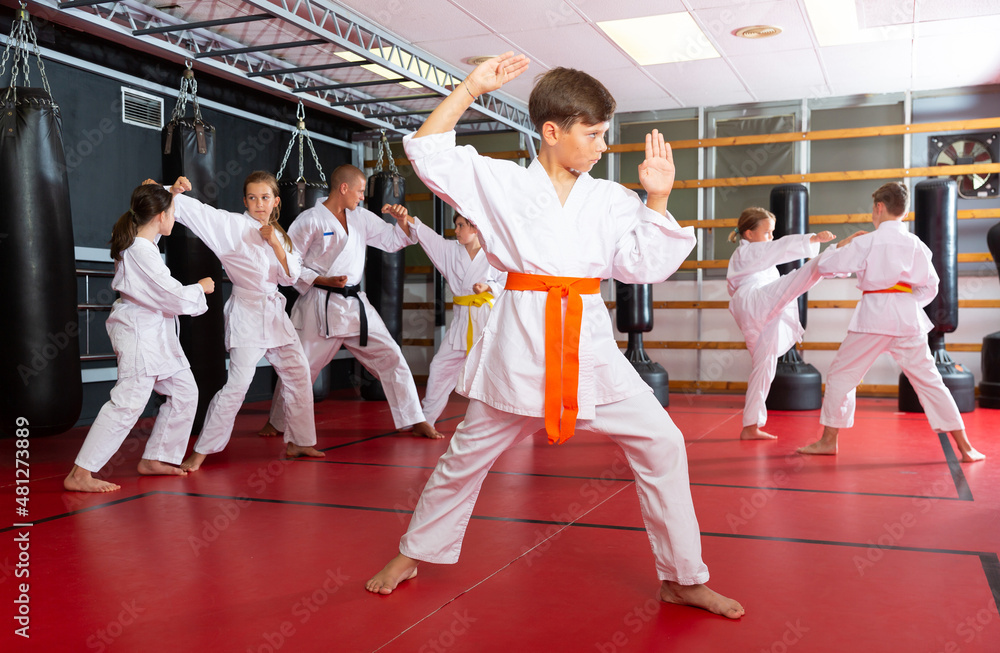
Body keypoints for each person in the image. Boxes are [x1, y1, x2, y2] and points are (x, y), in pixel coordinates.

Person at [365, 55, 745, 619]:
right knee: (465, 456)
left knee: (664, 442)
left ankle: (682, 577)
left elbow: (644, 264)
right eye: (591, 134)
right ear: (551, 131)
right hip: (521, 343)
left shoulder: (611, 198)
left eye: (603, 135)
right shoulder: (500, 182)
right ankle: (413, 552)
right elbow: (428, 150)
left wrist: (658, 200)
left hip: (589, 346)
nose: (601, 146)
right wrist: (471, 86)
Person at [797, 182, 984, 462]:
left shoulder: (866, 241)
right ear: (904, 212)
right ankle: (966, 447)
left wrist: (843, 245)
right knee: (931, 382)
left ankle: (828, 441)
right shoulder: (915, 244)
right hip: (908, 319)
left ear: (879, 207)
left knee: (842, 375)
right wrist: (906, 303)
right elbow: (931, 287)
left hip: (871, 319)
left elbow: (826, 267)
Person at [258, 164, 444, 440]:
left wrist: (403, 222)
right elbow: (289, 262)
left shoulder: (362, 218)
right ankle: (277, 422)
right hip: (318, 305)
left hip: (356, 305)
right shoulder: (310, 220)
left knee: (391, 356)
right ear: (343, 188)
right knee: (301, 368)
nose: (362, 197)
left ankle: (414, 418)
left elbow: (392, 241)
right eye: (359, 191)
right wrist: (323, 280)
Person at [165, 172, 325, 471]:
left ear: (276, 201)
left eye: (265, 198)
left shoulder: (280, 235)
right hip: (248, 313)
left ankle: (300, 441)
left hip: (275, 315)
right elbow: (200, 213)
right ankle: (200, 452)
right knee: (237, 385)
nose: (258, 204)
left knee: (299, 373)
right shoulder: (233, 226)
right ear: (244, 201)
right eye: (252, 198)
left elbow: (290, 277)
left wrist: (275, 245)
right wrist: (169, 192)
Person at [64, 184, 213, 493]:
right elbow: (172, 296)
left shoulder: (143, 241)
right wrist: (200, 288)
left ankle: (156, 457)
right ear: (160, 216)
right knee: (127, 404)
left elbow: (155, 230)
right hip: (139, 335)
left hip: (155, 335)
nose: (175, 218)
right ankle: (80, 473)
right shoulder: (139, 251)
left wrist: (171, 189)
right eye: (172, 212)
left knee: (185, 393)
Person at [726, 207, 835, 439]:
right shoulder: (745, 254)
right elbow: (777, 248)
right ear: (749, 234)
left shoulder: (763, 260)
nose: (771, 237)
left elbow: (773, 249)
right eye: (767, 232)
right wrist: (812, 239)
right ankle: (832, 258)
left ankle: (750, 426)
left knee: (764, 366)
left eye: (772, 232)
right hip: (753, 301)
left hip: (761, 311)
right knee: (799, 277)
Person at [402, 212, 506, 427]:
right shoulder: (450, 251)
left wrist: (489, 287)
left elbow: (509, 282)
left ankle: (512, 420)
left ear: (475, 227)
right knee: (440, 367)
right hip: (461, 323)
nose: (456, 231)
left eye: (460, 226)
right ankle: (425, 420)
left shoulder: (494, 255)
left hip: (487, 323)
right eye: (455, 226)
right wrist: (409, 220)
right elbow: (429, 238)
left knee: (498, 373)